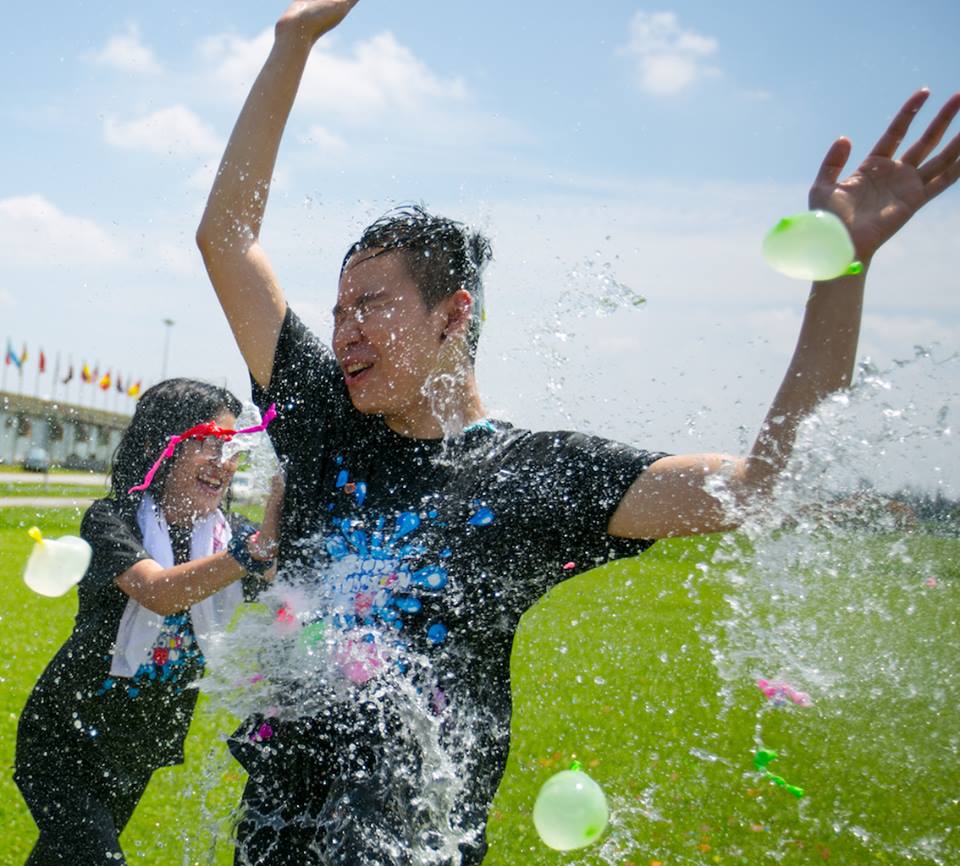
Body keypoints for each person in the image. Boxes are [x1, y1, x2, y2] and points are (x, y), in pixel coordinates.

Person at [196, 2, 960, 863]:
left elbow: (761, 487)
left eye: (371, 304)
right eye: (337, 310)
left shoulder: (533, 474)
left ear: (455, 316)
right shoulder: (329, 423)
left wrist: (841, 271)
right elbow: (227, 239)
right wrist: (291, 42)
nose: (342, 331)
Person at [14, 379, 282, 866]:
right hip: (63, 744)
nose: (223, 462)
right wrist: (250, 554)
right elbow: (160, 592)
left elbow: (286, 575)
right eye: (206, 443)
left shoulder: (229, 537)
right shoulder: (113, 520)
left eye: (232, 447)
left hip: (136, 751)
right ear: (162, 444)